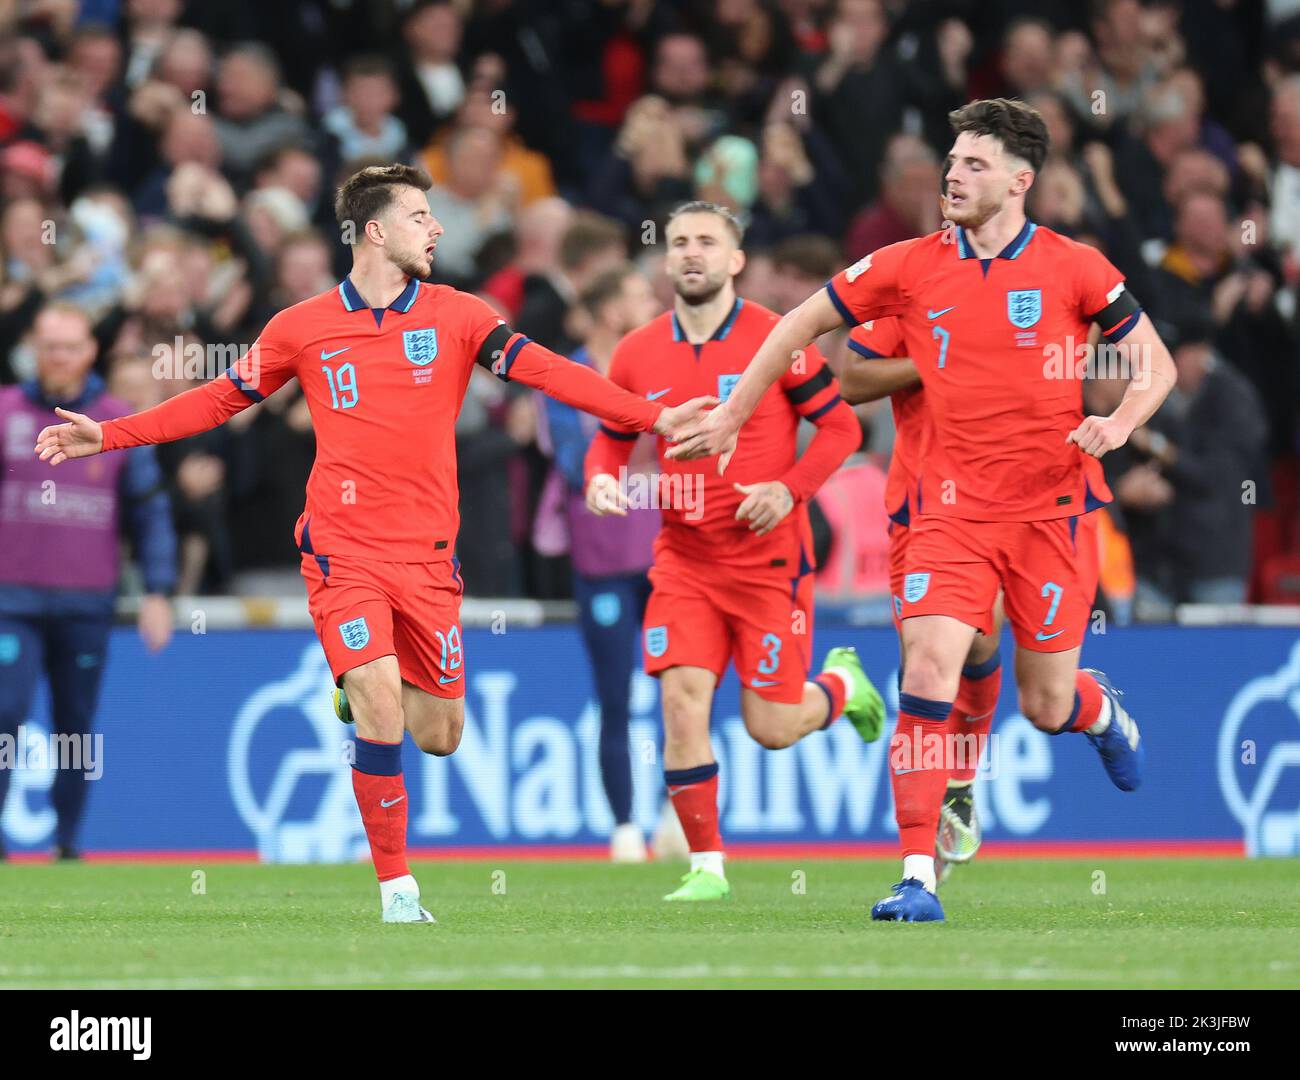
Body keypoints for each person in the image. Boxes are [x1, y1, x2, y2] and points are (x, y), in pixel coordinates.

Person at [34, 164, 716, 922]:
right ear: (378, 231)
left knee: (441, 734)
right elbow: (220, 398)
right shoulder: (302, 326)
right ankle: (397, 889)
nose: (438, 228)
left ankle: (356, 683)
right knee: (379, 698)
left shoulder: (460, 315)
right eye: (423, 216)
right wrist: (113, 434)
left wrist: (653, 419)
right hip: (341, 550)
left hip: (426, 559)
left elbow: (551, 373)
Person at [667, 100, 1176, 921]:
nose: (953, 174)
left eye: (974, 164)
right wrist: (732, 412)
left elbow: (1154, 363)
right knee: (930, 669)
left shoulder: (1075, 267)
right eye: (951, 161)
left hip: (1051, 511)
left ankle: (1100, 710)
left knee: (1046, 704)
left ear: (1021, 180)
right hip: (944, 509)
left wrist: (1118, 421)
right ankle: (917, 874)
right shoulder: (907, 267)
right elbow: (805, 326)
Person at [584, 201, 884, 902]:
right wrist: (602, 478)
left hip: (768, 561)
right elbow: (610, 438)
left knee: (771, 726)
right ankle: (707, 868)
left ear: (735, 260)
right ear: (666, 259)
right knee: (680, 701)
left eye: (707, 243)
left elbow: (843, 430)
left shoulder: (777, 340)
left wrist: (789, 489)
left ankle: (842, 688)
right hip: (683, 559)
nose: (692, 253)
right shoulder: (636, 351)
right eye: (680, 242)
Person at [0, 303, 176, 861]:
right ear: (34, 347)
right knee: (5, 712)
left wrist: (158, 591)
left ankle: (68, 841)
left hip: (85, 603)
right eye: (50, 347)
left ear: (89, 352)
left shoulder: (115, 422)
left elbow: (152, 515)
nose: (59, 358)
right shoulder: (4, 413)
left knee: (75, 727)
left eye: (70, 347)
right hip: (12, 601)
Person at [539, 265, 662, 861]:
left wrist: (623, 457)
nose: (651, 300)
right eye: (639, 290)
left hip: (669, 550)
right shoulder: (566, 376)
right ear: (611, 307)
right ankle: (623, 827)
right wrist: (646, 451)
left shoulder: (663, 364)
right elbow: (575, 465)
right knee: (614, 694)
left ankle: (674, 818)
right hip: (604, 555)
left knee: (683, 686)